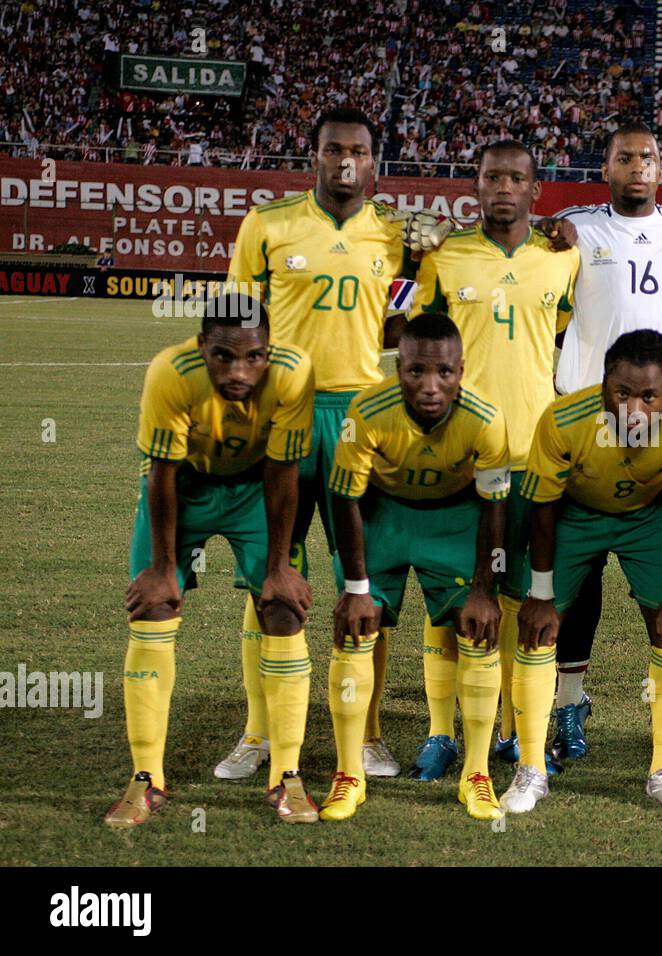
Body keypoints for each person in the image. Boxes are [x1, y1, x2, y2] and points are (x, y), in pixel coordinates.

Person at [224, 106, 409, 780]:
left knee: (369, 581)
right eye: (333, 149)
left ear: (374, 160)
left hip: (363, 416)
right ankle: (261, 731)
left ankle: (365, 734)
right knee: (270, 574)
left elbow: (406, 323)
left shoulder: (394, 236)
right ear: (314, 155)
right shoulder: (268, 226)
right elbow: (237, 327)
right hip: (286, 416)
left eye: (358, 150)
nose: (346, 162)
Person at [546, 122, 662, 761]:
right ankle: (569, 705)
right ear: (606, 165)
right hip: (585, 421)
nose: (637, 166)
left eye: (647, 157)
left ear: (661, 166)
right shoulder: (573, 227)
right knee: (575, 582)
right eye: (624, 157)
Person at [106, 293, 316, 827]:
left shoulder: (293, 374)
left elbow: (284, 472)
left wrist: (277, 566)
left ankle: (286, 775)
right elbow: (162, 473)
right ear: (202, 346)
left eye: (254, 357)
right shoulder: (171, 373)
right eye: (224, 356)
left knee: (283, 607)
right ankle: (146, 779)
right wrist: (160, 568)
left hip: (255, 490)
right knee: (153, 609)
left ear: (270, 349)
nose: (239, 371)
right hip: (187, 488)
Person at [408, 141, 580, 777]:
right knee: (449, 596)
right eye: (490, 177)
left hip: (534, 451)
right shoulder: (445, 257)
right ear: (473, 186)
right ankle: (438, 731)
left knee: (515, 595)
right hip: (459, 449)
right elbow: (408, 339)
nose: (502, 187)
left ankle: (509, 727)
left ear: (536, 190)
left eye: (516, 177)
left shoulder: (562, 259)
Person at [506, 331, 662, 814]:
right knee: (538, 630)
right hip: (575, 516)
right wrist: (541, 592)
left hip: (649, 519)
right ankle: (531, 767)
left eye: (650, 397)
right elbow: (542, 504)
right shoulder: (564, 420)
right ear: (604, 384)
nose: (634, 409)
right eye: (622, 393)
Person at [325, 314, 510, 820]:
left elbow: (495, 506)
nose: (430, 387)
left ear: (461, 370)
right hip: (382, 515)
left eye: (444, 373)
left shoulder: (487, 419)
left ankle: (476, 775)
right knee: (356, 631)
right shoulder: (368, 410)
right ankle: (349, 774)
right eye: (416, 372)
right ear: (398, 366)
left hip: (453, 519)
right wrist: (356, 585)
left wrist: (484, 590)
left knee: (476, 631)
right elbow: (345, 499)